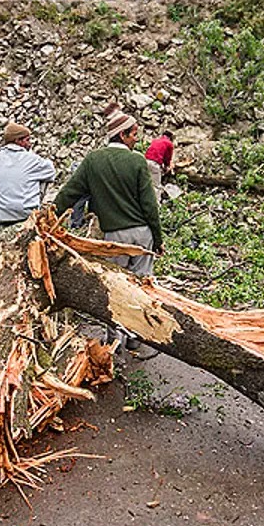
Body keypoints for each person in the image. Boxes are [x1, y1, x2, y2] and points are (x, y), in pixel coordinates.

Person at [54, 106, 162, 353]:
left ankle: (114, 339)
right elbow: (149, 205)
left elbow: (70, 192)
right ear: (122, 135)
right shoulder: (136, 161)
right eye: (134, 134)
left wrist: (51, 215)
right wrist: (157, 239)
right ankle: (135, 336)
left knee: (114, 288)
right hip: (142, 234)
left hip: (114, 237)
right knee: (140, 287)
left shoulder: (93, 160)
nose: (137, 139)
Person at [0, 122, 55, 226]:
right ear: (18, 141)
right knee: (44, 177)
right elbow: (51, 171)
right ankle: (34, 206)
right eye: (27, 140)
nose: (30, 144)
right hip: (26, 214)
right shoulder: (33, 160)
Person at [144, 130, 174, 198]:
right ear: (170, 138)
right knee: (156, 186)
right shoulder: (169, 143)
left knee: (145, 182)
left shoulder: (155, 141)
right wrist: (166, 167)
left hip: (145, 161)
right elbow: (168, 157)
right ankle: (157, 205)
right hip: (154, 163)